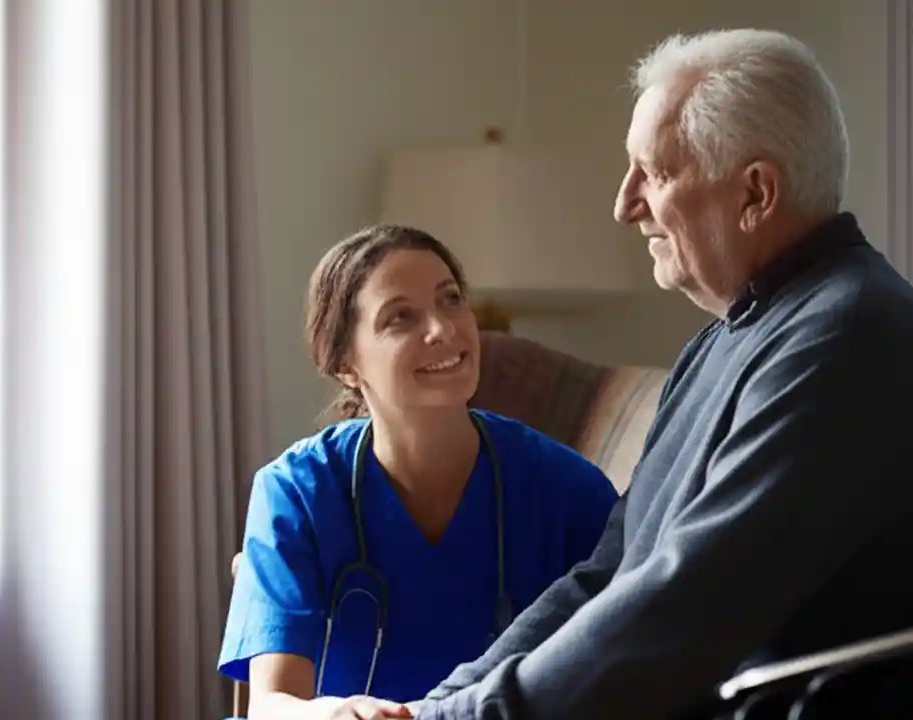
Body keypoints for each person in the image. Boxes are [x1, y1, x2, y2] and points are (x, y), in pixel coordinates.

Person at [407, 28, 913, 720]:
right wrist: (438, 706)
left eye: (655, 171)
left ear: (756, 194)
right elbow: (608, 577)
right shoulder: (721, 341)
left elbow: (686, 606)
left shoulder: (848, 335)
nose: (625, 203)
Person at [216, 225, 619, 719]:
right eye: (400, 317)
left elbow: (622, 667)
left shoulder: (566, 491)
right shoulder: (298, 491)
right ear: (345, 363)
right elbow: (272, 706)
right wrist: (337, 714)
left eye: (451, 300)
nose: (443, 329)